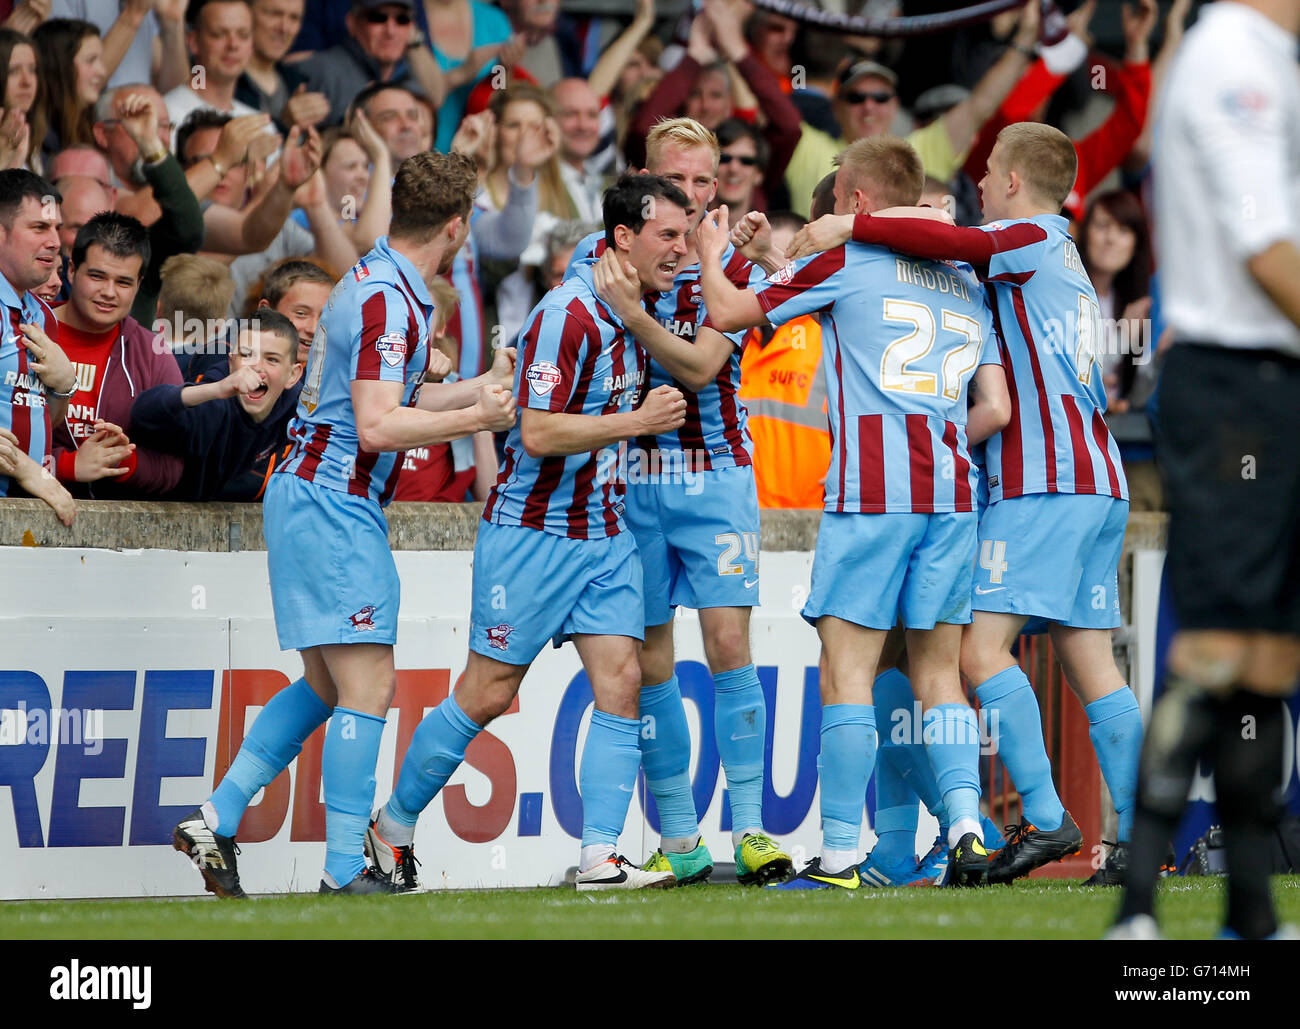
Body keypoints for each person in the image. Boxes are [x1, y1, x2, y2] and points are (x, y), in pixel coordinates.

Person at [792, 122, 1141, 888]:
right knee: (1090, 663)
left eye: (987, 171)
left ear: (1014, 180)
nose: (978, 183)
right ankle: (1136, 841)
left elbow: (964, 250)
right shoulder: (1066, 259)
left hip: (1040, 480)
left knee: (973, 654)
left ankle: (1046, 820)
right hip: (1098, 477)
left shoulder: (1027, 236)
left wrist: (851, 223)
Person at [172, 149, 517, 898]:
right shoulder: (391, 297)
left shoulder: (375, 281)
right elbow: (374, 426)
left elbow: (396, 400)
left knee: (329, 685)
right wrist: (479, 411)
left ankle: (216, 815)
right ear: (456, 227)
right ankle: (343, 869)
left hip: (310, 489)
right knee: (370, 684)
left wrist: (475, 395)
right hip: (334, 497)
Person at [695, 136, 1010, 889]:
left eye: (837, 202)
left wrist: (713, 251)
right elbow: (988, 401)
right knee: (938, 675)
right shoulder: (965, 276)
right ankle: (966, 827)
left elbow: (730, 311)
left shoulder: (849, 254)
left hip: (873, 492)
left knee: (847, 672)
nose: (828, 215)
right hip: (953, 492)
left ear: (859, 202)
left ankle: (839, 856)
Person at [363, 172, 690, 893]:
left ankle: (599, 857)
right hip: (532, 534)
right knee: (486, 692)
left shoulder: (642, 303)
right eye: (669, 234)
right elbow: (536, 433)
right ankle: (390, 828)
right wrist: (635, 421)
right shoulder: (567, 314)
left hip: (603, 532)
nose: (682, 248)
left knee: (624, 680)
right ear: (625, 239)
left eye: (685, 233)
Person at [1111, 0, 1300, 941]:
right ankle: (1137, 908)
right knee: (1214, 649)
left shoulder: (1256, 51)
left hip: (1271, 380)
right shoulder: (1236, 55)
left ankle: (1253, 917)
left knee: (1264, 659)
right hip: (1235, 383)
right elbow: (1264, 248)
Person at [577, 117, 793, 888]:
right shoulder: (595, 255)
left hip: (717, 473)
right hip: (632, 478)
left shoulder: (727, 262)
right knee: (650, 658)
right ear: (642, 182)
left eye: (706, 182)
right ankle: (681, 836)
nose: (696, 196)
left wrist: (756, 256)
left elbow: (704, 369)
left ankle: (754, 831)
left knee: (730, 646)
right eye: (678, 181)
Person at [50, 211, 184, 499]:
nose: (109, 292)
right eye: (97, 276)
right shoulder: (27, 331)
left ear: (139, 285)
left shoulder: (153, 354)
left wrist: (121, 460)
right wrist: (66, 465)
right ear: (71, 270)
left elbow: (173, 468)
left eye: (123, 282)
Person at [130, 310, 303, 501]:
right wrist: (217, 389)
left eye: (272, 359)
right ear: (231, 363)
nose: (257, 367)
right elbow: (141, 412)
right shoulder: (213, 405)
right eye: (247, 355)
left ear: (293, 375)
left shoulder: (299, 412)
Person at [735, 208, 829, 510]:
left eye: (784, 256)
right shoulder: (729, 331)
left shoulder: (827, 330)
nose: (771, 270)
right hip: (740, 512)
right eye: (760, 258)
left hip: (811, 513)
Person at [0, 169, 79, 523]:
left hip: (30, 511)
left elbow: (43, 416)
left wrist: (64, 388)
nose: (54, 242)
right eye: (39, 228)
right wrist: (24, 469)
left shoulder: (43, 314)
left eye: (56, 229)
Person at [162, 0, 262, 135]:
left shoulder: (261, 125)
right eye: (218, 34)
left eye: (243, 35)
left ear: (252, 45)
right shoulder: (165, 115)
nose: (233, 45)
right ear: (193, 42)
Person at [33, 18, 106, 156]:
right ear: (60, 67)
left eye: (100, 60)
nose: (102, 71)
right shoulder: (36, 140)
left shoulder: (90, 127)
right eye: (91, 60)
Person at [0, 27, 46, 171]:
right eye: (13, 71)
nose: (27, 82)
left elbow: (47, 196)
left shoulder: (32, 138)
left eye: (32, 70)